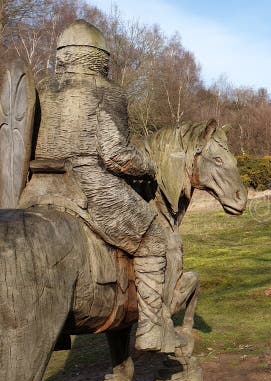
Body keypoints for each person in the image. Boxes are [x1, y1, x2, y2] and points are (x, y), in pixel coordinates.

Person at [34, 20, 177, 353]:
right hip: (90, 189)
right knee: (154, 240)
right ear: (98, 57)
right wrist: (149, 165)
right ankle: (153, 329)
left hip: (37, 191)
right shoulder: (106, 92)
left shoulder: (40, 91)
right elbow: (116, 156)